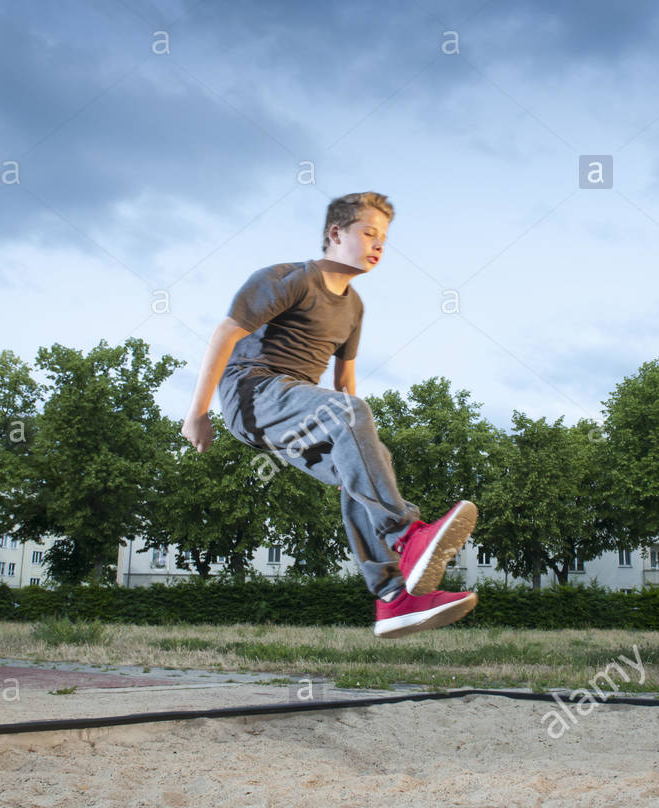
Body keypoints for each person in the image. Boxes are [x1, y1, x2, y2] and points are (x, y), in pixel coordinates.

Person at [180, 191, 478, 639]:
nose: (378, 245)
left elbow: (345, 385)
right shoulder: (289, 279)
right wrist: (197, 412)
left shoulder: (354, 308)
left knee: (363, 471)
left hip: (298, 404)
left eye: (384, 239)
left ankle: (393, 598)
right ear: (336, 234)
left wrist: (361, 447)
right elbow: (225, 332)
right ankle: (405, 533)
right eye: (368, 233)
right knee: (349, 418)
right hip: (254, 391)